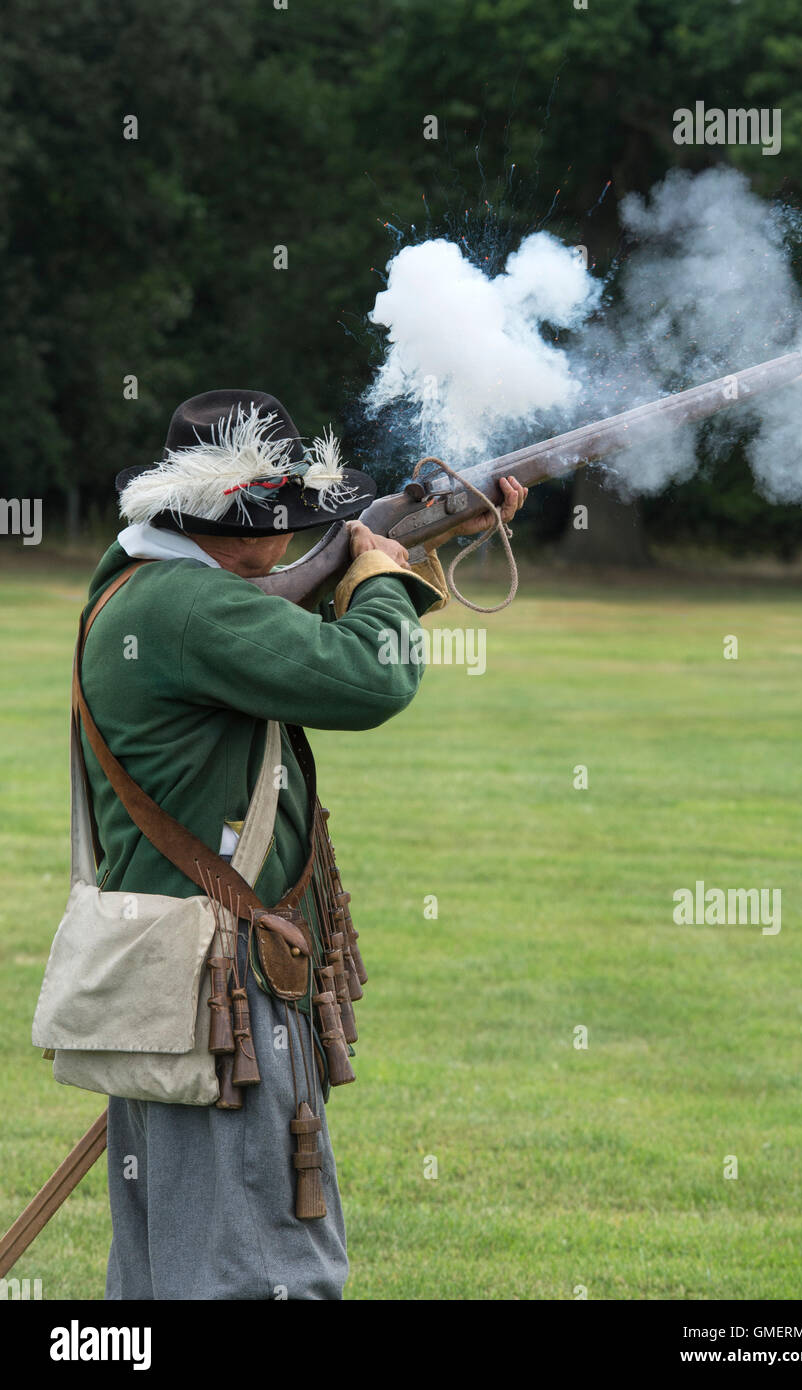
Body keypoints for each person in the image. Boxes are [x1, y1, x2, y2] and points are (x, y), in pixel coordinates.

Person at [79, 389, 525, 1299]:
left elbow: (293, 646)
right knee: (256, 1274)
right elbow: (366, 679)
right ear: (223, 520)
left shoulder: (148, 584)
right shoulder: (191, 608)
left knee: (178, 1268)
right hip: (223, 978)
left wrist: (418, 549)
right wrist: (372, 570)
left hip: (179, 969)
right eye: (280, 520)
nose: (292, 539)